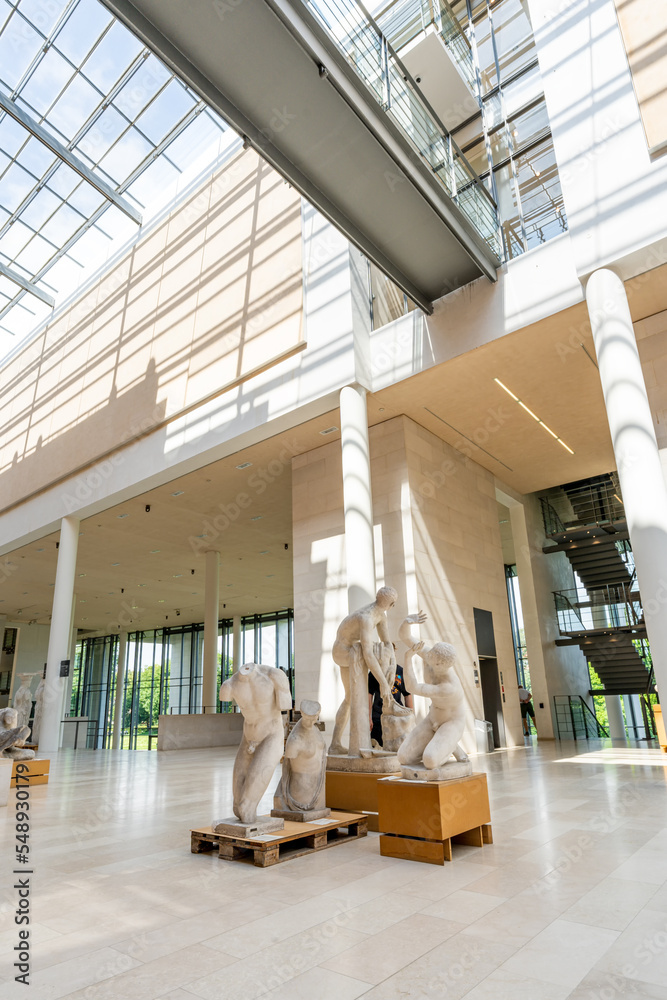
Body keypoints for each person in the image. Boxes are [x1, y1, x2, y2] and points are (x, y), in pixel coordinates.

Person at [368, 644, 414, 746]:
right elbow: (369, 695)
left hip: (397, 715)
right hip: (378, 716)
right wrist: (369, 717)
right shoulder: (374, 673)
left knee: (398, 744)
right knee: (378, 744)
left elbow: (407, 694)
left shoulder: (400, 671)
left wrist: (411, 716)